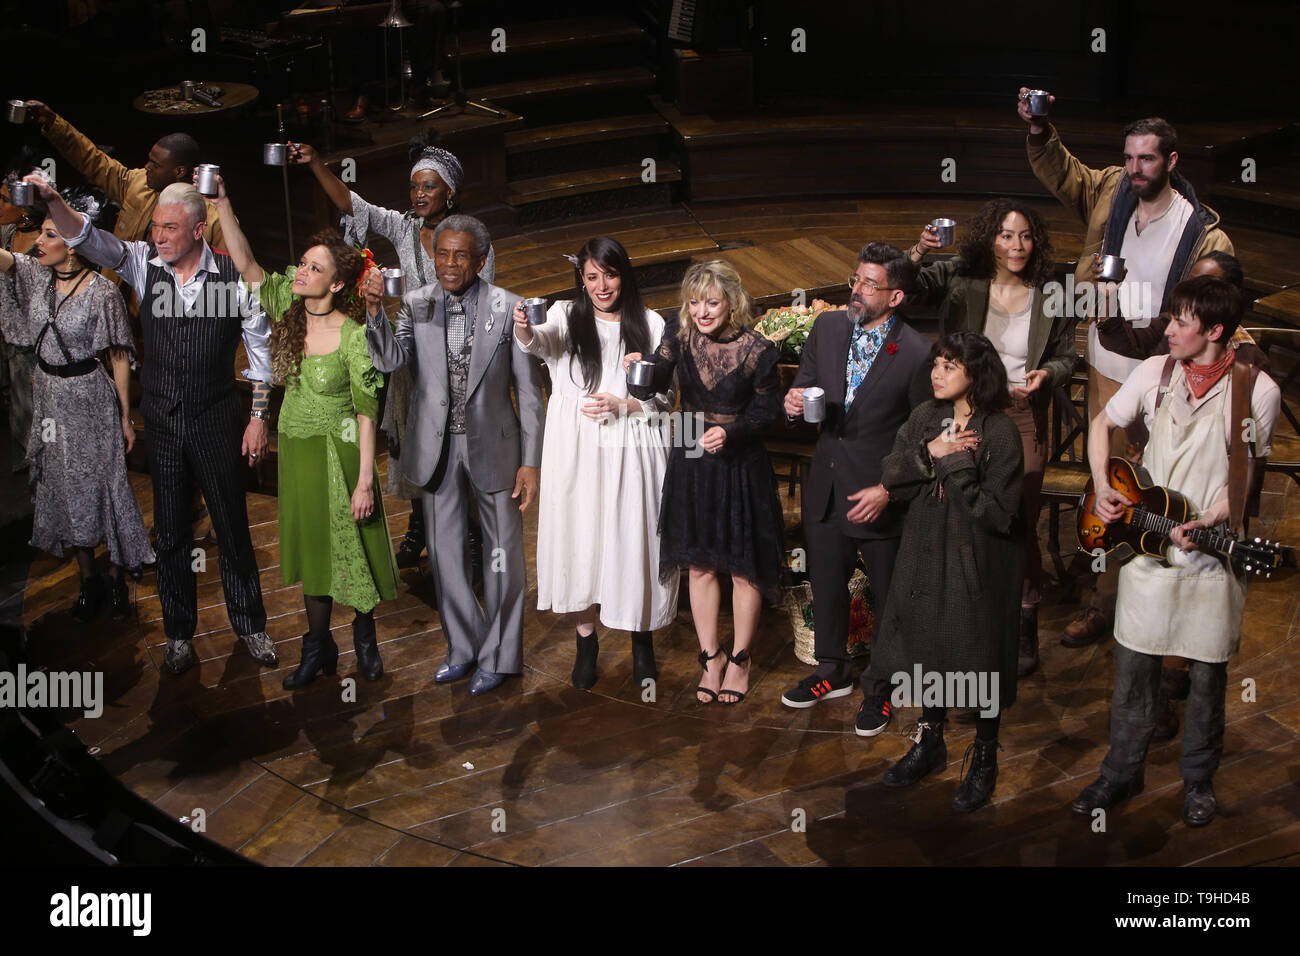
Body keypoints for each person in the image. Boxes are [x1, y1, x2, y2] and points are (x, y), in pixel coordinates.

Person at [1020, 92, 1233, 650]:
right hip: (1107, 367)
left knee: (1160, 489)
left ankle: (1168, 618)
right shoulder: (1114, 189)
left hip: (1166, 377)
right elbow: (1064, 173)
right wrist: (1040, 129)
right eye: (1131, 157)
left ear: (1172, 162)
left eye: (1148, 159)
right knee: (1109, 488)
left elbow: (1221, 309)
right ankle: (1104, 601)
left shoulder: (1203, 233)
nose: (1136, 169)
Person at [41, 178, 277, 676]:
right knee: (169, 533)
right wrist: (53, 202)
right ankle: (177, 635)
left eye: (170, 228)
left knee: (232, 527)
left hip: (216, 418)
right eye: (155, 226)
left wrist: (258, 419)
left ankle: (250, 624)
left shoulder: (233, 278)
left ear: (197, 230)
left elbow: (261, 354)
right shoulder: (142, 264)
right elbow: (85, 236)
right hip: (165, 422)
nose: (159, 235)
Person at [1071, 276, 1280, 826]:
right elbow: (1102, 422)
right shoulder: (1155, 372)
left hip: (1210, 558)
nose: (1168, 330)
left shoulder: (1256, 391)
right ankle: (1120, 772)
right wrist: (1103, 482)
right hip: (1147, 549)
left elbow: (1246, 476)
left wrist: (1209, 519)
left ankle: (1198, 780)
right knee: (1133, 671)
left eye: (1180, 322)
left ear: (1214, 330)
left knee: (1208, 678)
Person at [211, 176, 398, 688]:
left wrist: (365, 481)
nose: (302, 271)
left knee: (351, 549)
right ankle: (319, 648)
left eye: (315, 268)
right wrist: (223, 203)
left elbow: (366, 412)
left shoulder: (354, 335)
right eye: (304, 263)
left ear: (337, 284)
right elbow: (247, 265)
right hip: (296, 451)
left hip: (341, 457)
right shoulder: (288, 311)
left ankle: (365, 640)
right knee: (315, 548)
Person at [291, 139, 495, 570]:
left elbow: (479, 303)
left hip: (455, 361)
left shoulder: (472, 240)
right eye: (415, 187)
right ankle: (419, 527)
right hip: (410, 361)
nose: (419, 195)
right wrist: (315, 163)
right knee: (415, 448)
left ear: (449, 193)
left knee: (457, 452)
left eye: (428, 187)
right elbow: (352, 203)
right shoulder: (403, 227)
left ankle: (474, 540)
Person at [364, 214, 544, 696]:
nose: (448, 263)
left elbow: (529, 395)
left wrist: (531, 463)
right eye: (441, 253)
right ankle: (462, 648)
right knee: (445, 558)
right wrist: (375, 312)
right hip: (435, 446)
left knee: (501, 556)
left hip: (497, 449)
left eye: (460, 255)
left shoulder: (510, 308)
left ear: (481, 260)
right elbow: (389, 360)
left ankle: (501, 656)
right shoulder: (417, 304)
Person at [907, 199, 1079, 677]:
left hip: (1022, 414)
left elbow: (1069, 357)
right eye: (1006, 235)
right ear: (991, 239)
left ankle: (1024, 615)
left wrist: (1049, 372)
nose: (1016, 245)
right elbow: (907, 284)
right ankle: (968, 619)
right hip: (966, 410)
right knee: (959, 512)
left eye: (1025, 236)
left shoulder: (1052, 292)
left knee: (1013, 518)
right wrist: (920, 250)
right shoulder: (964, 276)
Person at [512, 236, 678, 689]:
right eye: (591, 277)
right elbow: (538, 344)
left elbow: (665, 398)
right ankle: (587, 643)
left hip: (632, 442)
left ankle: (640, 640)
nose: (601, 285)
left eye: (609, 274)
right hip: (576, 444)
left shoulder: (650, 322)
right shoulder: (567, 315)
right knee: (580, 538)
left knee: (632, 539)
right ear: (580, 279)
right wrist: (524, 326)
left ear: (624, 274)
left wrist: (628, 399)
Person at [869, 330, 1025, 811]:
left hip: (976, 558)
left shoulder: (999, 431)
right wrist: (928, 453)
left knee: (979, 656)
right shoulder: (925, 417)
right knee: (929, 647)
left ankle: (984, 755)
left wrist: (956, 462)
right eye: (936, 363)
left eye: (949, 365)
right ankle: (930, 740)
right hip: (925, 551)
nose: (936, 373)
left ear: (975, 374)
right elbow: (892, 473)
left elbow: (999, 514)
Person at [780, 243, 931, 736]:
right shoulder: (826, 329)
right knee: (826, 581)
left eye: (869, 284)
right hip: (825, 482)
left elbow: (924, 437)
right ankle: (831, 670)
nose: (857, 291)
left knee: (888, 597)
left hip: (878, 494)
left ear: (895, 297)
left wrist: (889, 488)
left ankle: (882, 687)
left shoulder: (915, 353)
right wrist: (793, 403)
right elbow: (802, 389)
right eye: (855, 280)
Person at [627, 260, 785, 705]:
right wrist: (637, 368)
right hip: (692, 456)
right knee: (699, 564)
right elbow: (649, 386)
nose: (701, 311)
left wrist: (730, 432)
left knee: (741, 566)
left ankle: (740, 659)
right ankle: (709, 656)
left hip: (739, 461)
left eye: (711, 302)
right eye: (694, 302)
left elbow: (766, 413)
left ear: (732, 302)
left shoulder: (759, 350)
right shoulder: (678, 339)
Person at [0, 185, 154, 620]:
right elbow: (5, 259)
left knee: (104, 487)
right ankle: (88, 579)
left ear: (71, 247)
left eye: (50, 235)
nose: (39, 243)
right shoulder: (35, 274)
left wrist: (125, 415)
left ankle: (119, 577)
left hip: (89, 397)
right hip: (48, 396)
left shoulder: (101, 293)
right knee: (65, 486)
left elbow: (119, 355)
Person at [20, 100, 223, 246]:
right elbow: (92, 160)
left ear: (179, 171)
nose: (146, 167)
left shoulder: (210, 217)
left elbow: (230, 270)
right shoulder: (138, 184)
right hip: (122, 292)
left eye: (156, 164)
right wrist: (53, 123)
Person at [1, 161, 46, 472]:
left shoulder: (46, 246)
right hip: (9, 339)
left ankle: (44, 484)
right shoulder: (6, 232)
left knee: (37, 423)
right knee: (18, 418)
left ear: (25, 207)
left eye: (4, 199)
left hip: (36, 348)